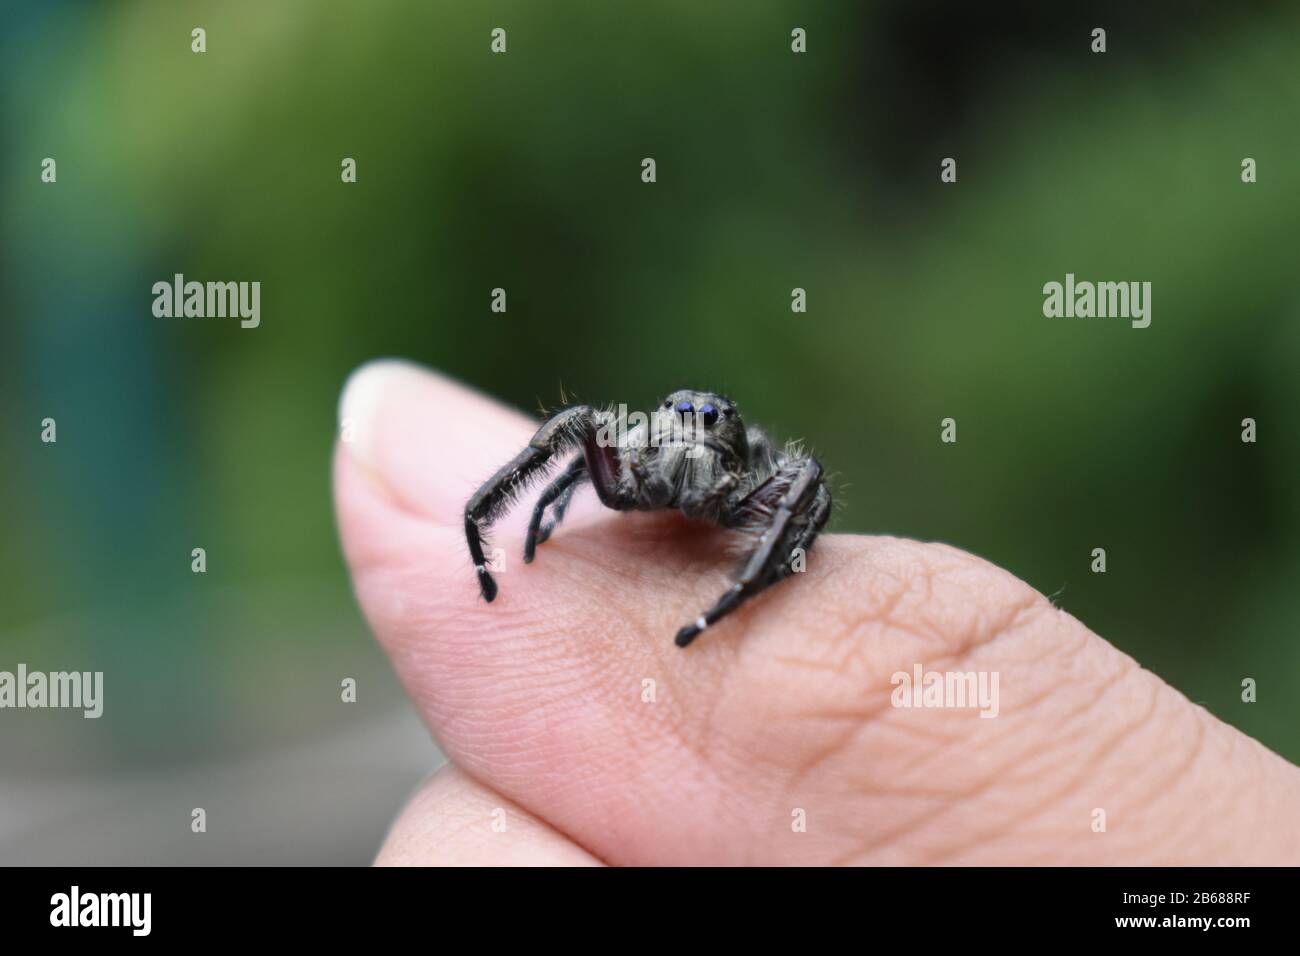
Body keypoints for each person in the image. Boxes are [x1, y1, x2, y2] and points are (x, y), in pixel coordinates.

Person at [334, 360, 1300, 866]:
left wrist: (746, 589)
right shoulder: (619, 447)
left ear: (729, 445)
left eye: (705, 432)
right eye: (674, 428)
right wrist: (503, 518)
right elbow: (572, 438)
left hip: (735, 557)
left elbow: (803, 490)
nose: (685, 446)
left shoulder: (757, 475)